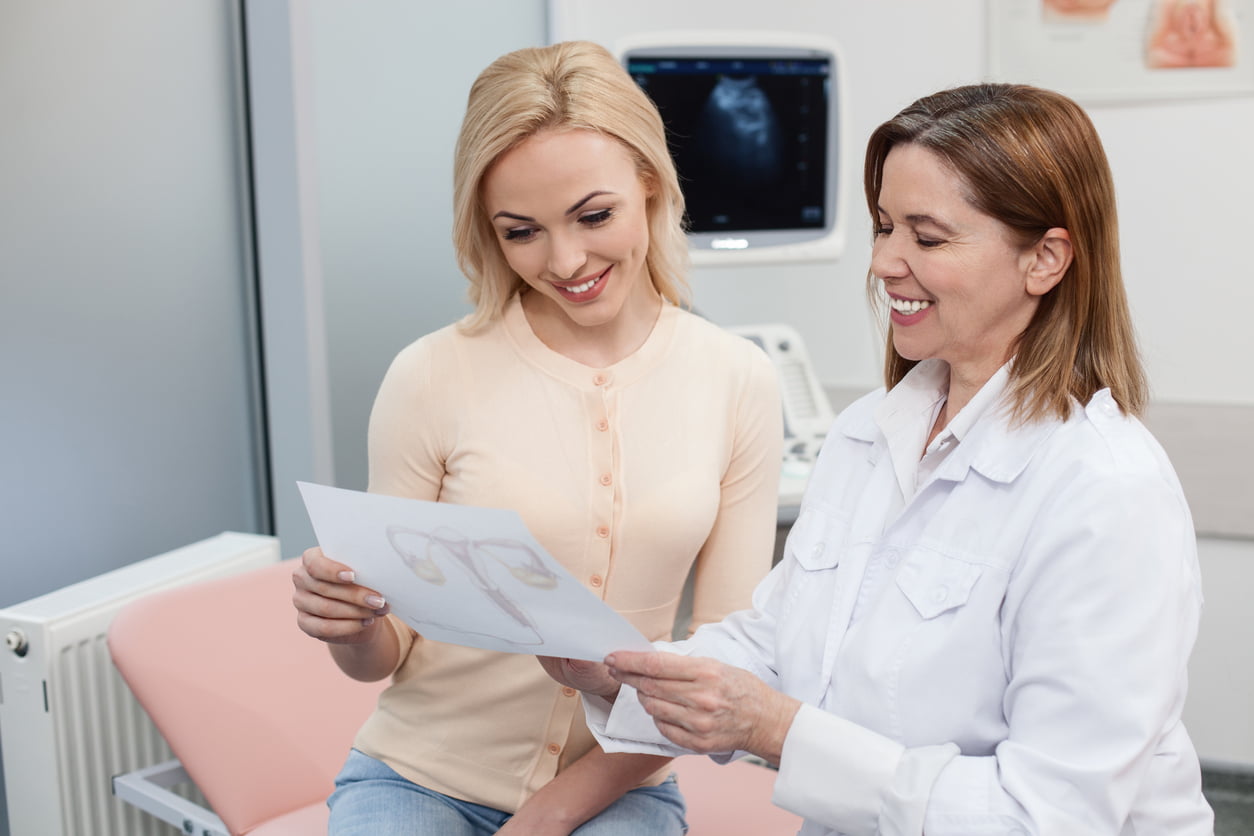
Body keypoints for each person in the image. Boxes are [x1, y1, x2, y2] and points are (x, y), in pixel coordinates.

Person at [542, 82, 1215, 835]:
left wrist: (777, 730)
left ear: (1045, 259)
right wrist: (623, 673)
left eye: (927, 239)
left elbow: (1050, 816)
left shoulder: (1105, 491)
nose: (883, 262)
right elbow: (777, 643)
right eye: (885, 227)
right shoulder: (869, 432)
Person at [289, 40, 783, 836]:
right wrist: (351, 625)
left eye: (595, 216)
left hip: (620, 785)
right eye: (522, 232)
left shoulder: (739, 379)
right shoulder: (430, 375)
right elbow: (383, 655)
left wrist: (549, 815)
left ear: (650, 183)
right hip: (417, 778)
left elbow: (722, 668)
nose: (567, 260)